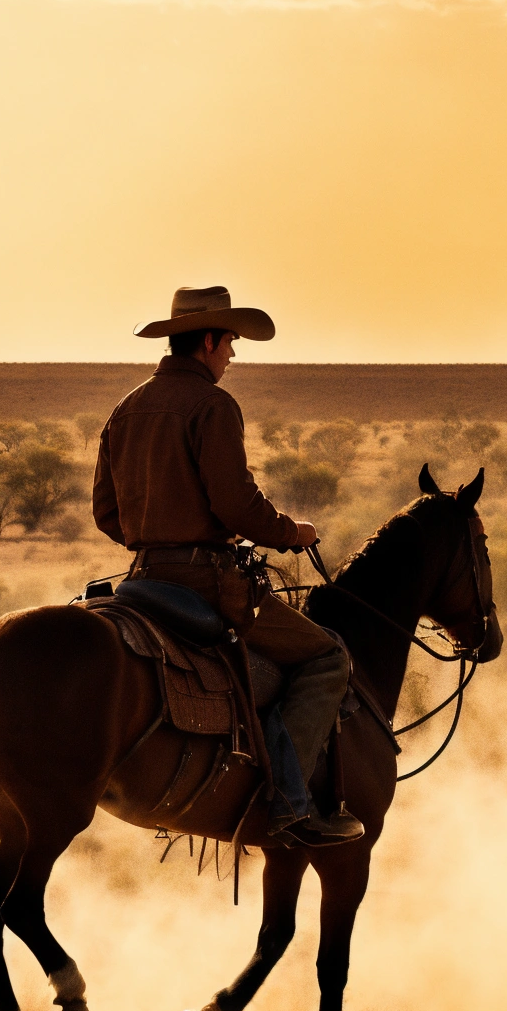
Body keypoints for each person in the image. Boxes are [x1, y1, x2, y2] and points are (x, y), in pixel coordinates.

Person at [93, 285, 364, 846]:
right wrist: (291, 533)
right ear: (210, 341)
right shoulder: (213, 406)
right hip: (205, 584)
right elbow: (235, 504)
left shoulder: (126, 407)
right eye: (231, 343)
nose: (233, 356)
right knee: (327, 657)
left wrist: (154, 536)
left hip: (142, 579)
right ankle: (290, 804)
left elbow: (106, 512)